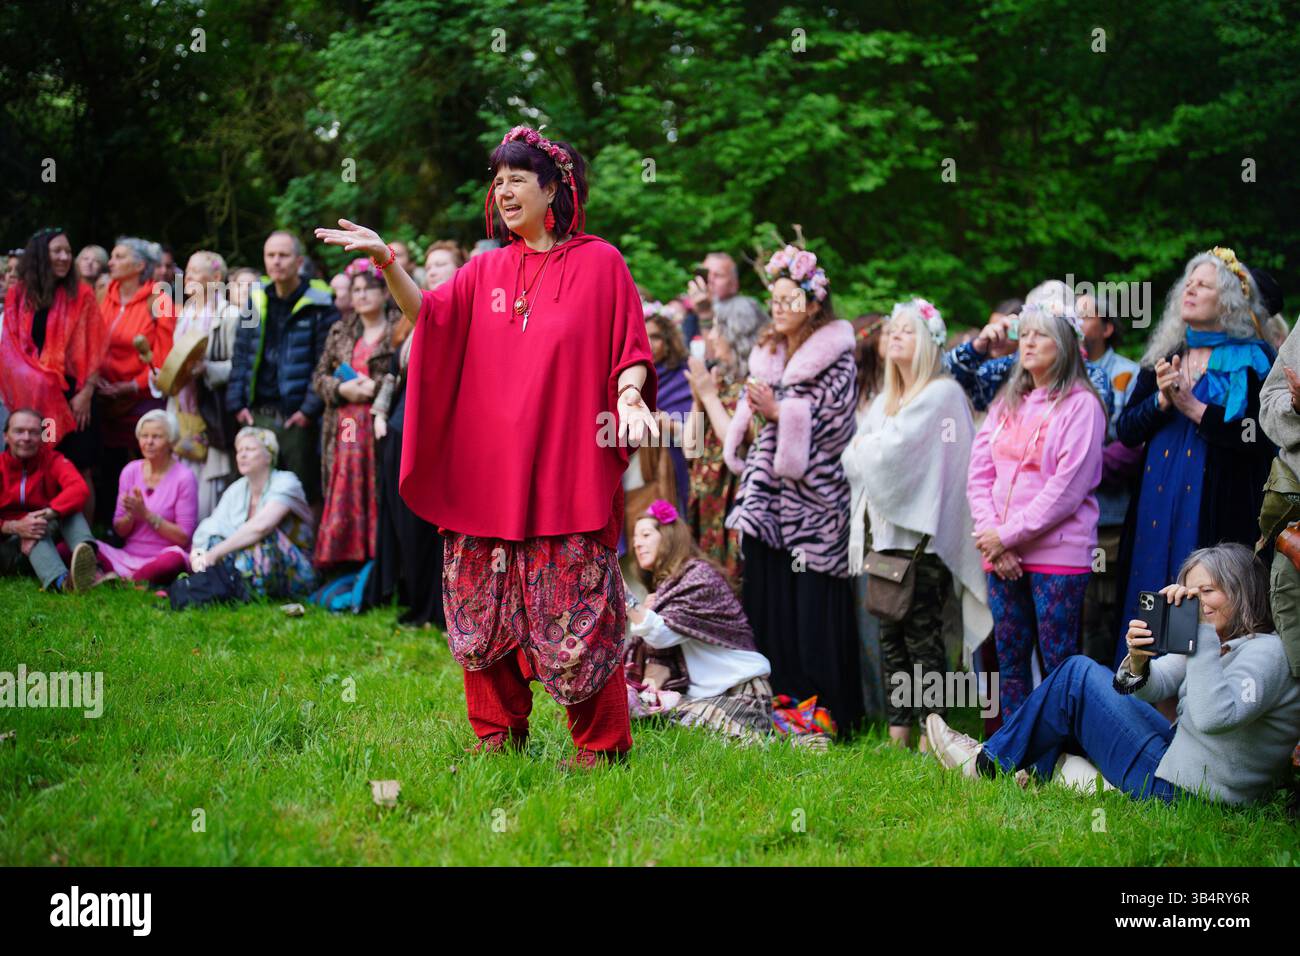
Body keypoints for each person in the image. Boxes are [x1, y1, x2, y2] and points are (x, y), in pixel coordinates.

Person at [315, 124, 659, 769]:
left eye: (517, 179)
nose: (503, 191)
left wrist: (632, 395)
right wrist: (389, 261)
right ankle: (497, 738)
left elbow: (629, 351)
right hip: (489, 476)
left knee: (575, 606)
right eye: (497, 180)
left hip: (564, 469)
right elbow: (431, 314)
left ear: (554, 188)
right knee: (481, 605)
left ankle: (602, 747)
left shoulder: (601, 263)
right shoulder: (486, 269)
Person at [926, 544, 1300, 805]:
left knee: (1077, 675)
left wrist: (1198, 630)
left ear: (1244, 593)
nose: (1196, 601)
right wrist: (1138, 661)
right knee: (1082, 685)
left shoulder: (1267, 653)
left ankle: (984, 766)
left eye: (1207, 591)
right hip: (1180, 767)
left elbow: (1212, 715)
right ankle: (1022, 769)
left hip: (1188, 792)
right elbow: (1154, 685)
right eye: (1188, 592)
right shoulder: (1217, 641)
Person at [723, 240, 864, 737]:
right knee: (768, 598)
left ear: (814, 303)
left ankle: (829, 710)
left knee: (812, 606)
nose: (780, 309)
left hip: (817, 501)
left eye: (790, 300)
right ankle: (778, 704)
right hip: (767, 498)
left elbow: (837, 426)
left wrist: (781, 410)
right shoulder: (767, 351)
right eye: (775, 300)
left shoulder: (838, 356)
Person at [1115, 247, 1277, 668]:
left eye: (1203, 284)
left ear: (1227, 301)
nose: (1190, 289)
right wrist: (1162, 404)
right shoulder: (1165, 356)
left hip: (1217, 513)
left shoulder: (1255, 361)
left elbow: (1260, 437)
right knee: (1149, 600)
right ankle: (1142, 697)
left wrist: (1194, 408)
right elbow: (1127, 430)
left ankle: (1199, 709)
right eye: (1188, 283)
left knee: (1204, 607)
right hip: (1155, 510)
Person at [843, 299, 992, 747]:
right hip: (886, 536)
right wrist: (875, 447)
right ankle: (898, 732)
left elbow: (887, 458)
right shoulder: (890, 399)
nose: (896, 336)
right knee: (891, 635)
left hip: (924, 538)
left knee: (924, 638)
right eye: (893, 329)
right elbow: (856, 456)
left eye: (908, 330)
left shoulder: (941, 394)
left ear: (928, 342)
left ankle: (935, 733)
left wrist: (874, 446)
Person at [967, 302, 1107, 720]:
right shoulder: (1009, 402)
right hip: (1000, 553)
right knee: (1009, 665)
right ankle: (1014, 757)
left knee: (1057, 664)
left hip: (1057, 556)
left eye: (1040, 334)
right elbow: (978, 473)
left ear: (1064, 344)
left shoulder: (1083, 406)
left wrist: (1005, 536)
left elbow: (1066, 490)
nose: (1027, 341)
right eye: (1024, 333)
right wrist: (994, 539)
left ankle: (1059, 758)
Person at [624, 499, 774, 741]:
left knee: (650, 716)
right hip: (707, 699)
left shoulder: (700, 578)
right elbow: (657, 654)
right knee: (637, 711)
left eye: (645, 534)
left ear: (669, 537)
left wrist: (626, 598)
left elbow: (660, 636)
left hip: (744, 696)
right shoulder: (667, 590)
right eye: (634, 538)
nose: (637, 543)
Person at [226, 231, 340, 504]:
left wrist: (307, 410)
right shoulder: (256, 300)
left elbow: (327, 360)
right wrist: (237, 404)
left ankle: (302, 548)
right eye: (271, 255)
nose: (276, 261)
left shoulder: (321, 304)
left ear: (299, 260)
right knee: (253, 494)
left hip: (297, 418)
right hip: (257, 414)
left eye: (283, 255)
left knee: (301, 493)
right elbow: (241, 354)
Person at [0, 228, 106, 520]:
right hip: (35, 404)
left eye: (68, 252)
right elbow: (9, 350)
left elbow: (95, 349)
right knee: (42, 464)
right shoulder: (18, 295)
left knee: (77, 465)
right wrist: (38, 383)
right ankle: (39, 535)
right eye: (57, 251)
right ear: (39, 255)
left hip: (75, 401)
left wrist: (86, 393)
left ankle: (82, 542)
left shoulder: (81, 295)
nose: (65, 257)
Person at [311, 268, 394, 568]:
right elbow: (319, 377)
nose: (361, 295)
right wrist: (340, 388)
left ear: (385, 293)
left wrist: (378, 388)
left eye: (368, 289)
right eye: (356, 290)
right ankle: (341, 562)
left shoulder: (399, 330)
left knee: (377, 488)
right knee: (343, 485)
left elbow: (407, 375)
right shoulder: (340, 331)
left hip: (378, 423)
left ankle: (377, 562)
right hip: (343, 425)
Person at [1077, 290, 1142, 664]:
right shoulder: (1061, 372)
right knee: (1079, 616)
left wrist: (1079, 468)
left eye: (1086, 316)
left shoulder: (1128, 375)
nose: (1076, 321)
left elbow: (1132, 445)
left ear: (1107, 327)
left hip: (1111, 518)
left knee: (1109, 612)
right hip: (1064, 518)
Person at [683, 293, 766, 580]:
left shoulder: (756, 386)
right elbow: (690, 450)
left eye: (718, 327)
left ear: (737, 333)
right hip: (705, 510)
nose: (713, 335)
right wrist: (698, 400)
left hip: (734, 508)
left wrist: (707, 394)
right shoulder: (718, 380)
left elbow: (739, 445)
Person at [945, 283, 1113, 420]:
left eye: (1043, 330)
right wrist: (977, 348)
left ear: (1068, 331)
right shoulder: (1005, 369)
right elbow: (946, 382)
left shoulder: (1092, 380)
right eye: (1027, 329)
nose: (1031, 340)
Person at [96, 237, 176, 523]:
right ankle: (106, 523)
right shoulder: (104, 293)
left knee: (138, 464)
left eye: (119, 257)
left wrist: (131, 386)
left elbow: (165, 359)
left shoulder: (161, 300)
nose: (111, 262)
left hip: (139, 400)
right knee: (104, 464)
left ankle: (140, 528)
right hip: (102, 395)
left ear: (140, 265)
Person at [190, 427, 317, 599]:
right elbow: (209, 527)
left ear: (268, 456)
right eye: (239, 450)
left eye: (249, 449)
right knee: (214, 537)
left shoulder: (287, 482)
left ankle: (236, 588)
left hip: (295, 571)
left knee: (262, 539)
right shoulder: (237, 489)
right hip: (250, 565)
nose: (242, 455)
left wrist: (214, 554)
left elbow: (261, 526)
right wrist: (199, 557)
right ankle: (226, 585)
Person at [169, 250, 242, 520]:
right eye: (187, 270)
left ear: (215, 277)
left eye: (195, 271)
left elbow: (241, 367)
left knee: (210, 488)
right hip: (183, 411)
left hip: (213, 411)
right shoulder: (185, 313)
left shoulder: (231, 315)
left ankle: (206, 549)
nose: (188, 276)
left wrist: (208, 369)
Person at [0, 408, 100, 593]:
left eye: (34, 432)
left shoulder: (52, 460)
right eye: (19, 431)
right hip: (6, 547)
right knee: (34, 529)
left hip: (40, 532)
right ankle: (64, 581)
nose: (27, 437)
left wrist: (47, 513)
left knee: (66, 512)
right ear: (6, 436)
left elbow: (79, 488)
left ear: (42, 437)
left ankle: (87, 557)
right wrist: (14, 526)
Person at [95, 410, 197, 585]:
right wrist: (131, 515)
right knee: (74, 547)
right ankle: (129, 578)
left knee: (172, 560)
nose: (149, 442)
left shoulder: (184, 477)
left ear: (171, 441)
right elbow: (119, 530)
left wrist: (146, 515)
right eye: (144, 436)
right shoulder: (130, 471)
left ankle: (121, 579)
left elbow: (183, 537)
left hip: (162, 556)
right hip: (127, 555)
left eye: (156, 436)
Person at [646, 313, 692, 514]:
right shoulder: (628, 377)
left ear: (668, 340)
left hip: (674, 469)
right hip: (636, 476)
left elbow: (697, 433)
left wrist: (668, 424)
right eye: (642, 335)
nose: (648, 343)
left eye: (655, 337)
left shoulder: (684, 375)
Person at [684, 251, 762, 346]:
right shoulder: (692, 316)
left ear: (734, 283)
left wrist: (705, 314)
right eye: (706, 274)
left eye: (718, 275)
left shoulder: (743, 310)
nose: (710, 280)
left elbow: (721, 359)